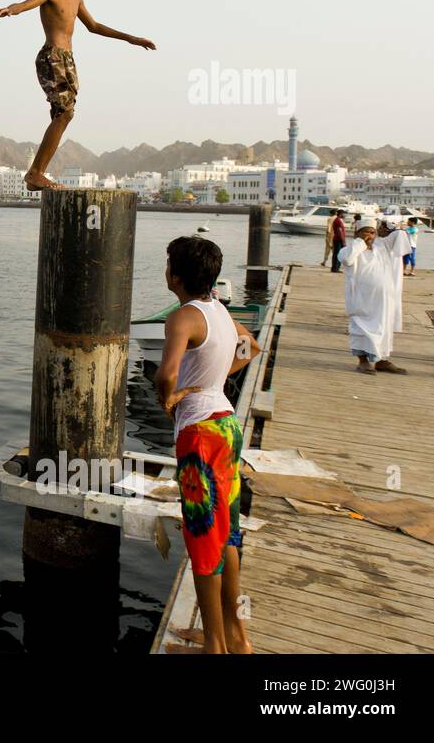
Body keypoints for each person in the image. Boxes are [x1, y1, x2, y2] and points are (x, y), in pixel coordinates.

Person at [156, 236, 261, 654]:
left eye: (168, 264)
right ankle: (236, 635)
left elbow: (166, 374)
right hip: (227, 425)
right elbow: (250, 346)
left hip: (200, 434)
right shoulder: (218, 309)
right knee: (228, 535)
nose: (166, 269)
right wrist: (218, 378)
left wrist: (169, 395)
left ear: (176, 275)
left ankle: (215, 645)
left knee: (202, 539)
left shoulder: (183, 318)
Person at [0, 0, 155, 191]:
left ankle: (36, 175)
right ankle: (35, 173)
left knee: (64, 114)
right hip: (51, 56)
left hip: (68, 60)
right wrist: (10, 9)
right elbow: (27, 4)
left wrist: (130, 38)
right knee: (64, 113)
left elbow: (94, 26)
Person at [339, 220, 412, 374]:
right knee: (361, 329)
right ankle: (363, 361)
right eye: (366, 231)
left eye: (372, 232)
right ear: (357, 233)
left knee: (384, 328)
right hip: (362, 301)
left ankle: (381, 360)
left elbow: (399, 237)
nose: (369, 235)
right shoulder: (348, 250)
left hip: (383, 300)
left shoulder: (381, 247)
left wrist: (391, 227)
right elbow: (347, 259)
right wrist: (360, 242)